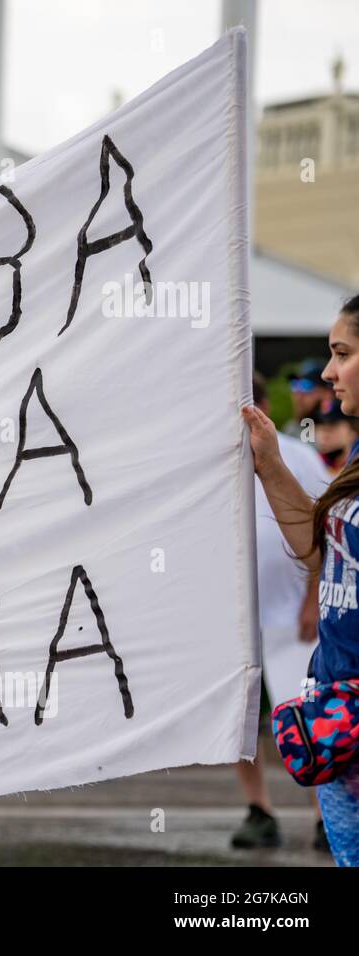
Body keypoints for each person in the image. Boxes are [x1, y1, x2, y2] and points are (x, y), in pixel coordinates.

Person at [244, 293, 359, 866]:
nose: (330, 374)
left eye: (343, 353)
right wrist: (268, 463)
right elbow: (319, 550)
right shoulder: (357, 455)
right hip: (340, 718)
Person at [231, 373, 331, 851]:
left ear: (264, 405)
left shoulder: (300, 455)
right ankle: (259, 809)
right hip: (234, 618)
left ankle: (324, 815)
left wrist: (313, 598)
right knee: (241, 723)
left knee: (309, 718)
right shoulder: (211, 459)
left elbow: (322, 528)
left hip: (291, 617)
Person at [285, 358, 333, 441]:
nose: (298, 394)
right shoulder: (291, 429)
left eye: (306, 386)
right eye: (295, 385)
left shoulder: (342, 430)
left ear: (326, 393)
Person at [315, 401, 359, 476]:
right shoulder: (316, 461)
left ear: (352, 430)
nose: (324, 435)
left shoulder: (354, 466)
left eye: (332, 427)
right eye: (320, 427)